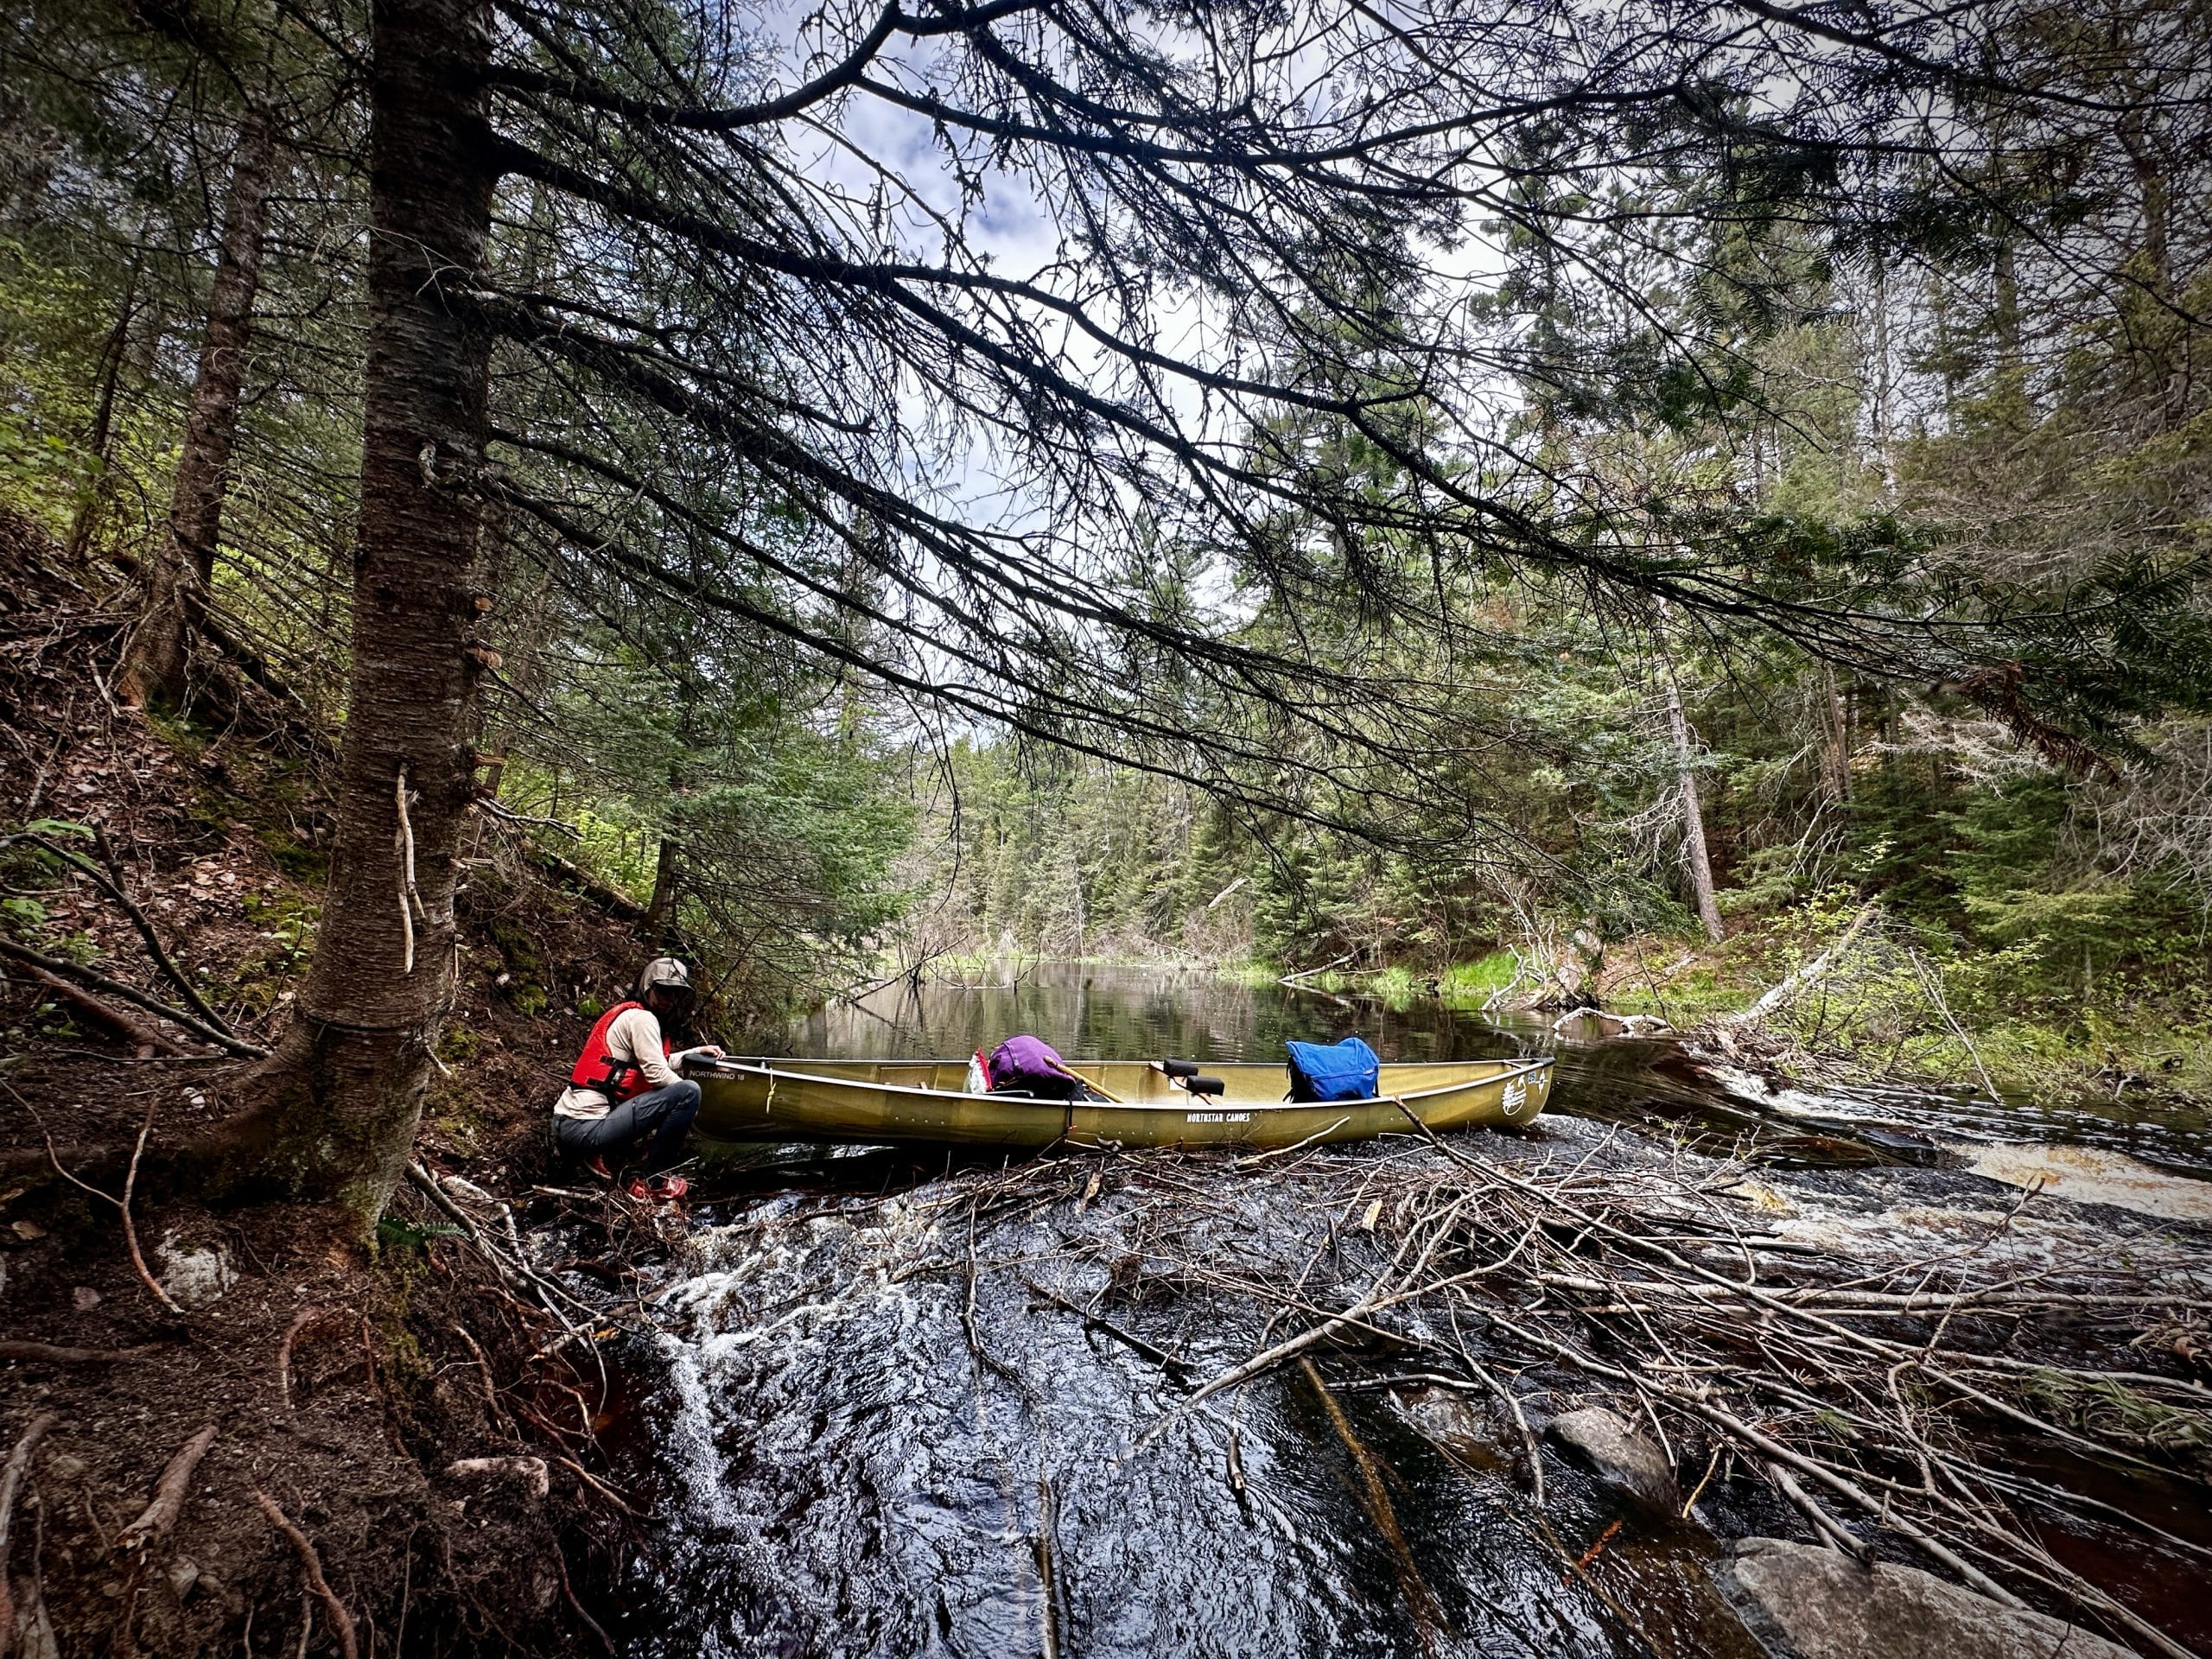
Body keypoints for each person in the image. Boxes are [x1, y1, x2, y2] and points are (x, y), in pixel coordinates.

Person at [552, 957, 724, 1201]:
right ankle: (652, 1182)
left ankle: (598, 1155)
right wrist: (698, 1105)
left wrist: (692, 1054)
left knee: (683, 1092)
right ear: (648, 988)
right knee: (689, 1092)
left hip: (569, 1124)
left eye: (676, 994)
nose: (670, 999)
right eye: (664, 991)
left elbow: (651, 1064)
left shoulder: (635, 1015)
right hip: (584, 1129)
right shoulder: (644, 1019)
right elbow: (656, 1074)